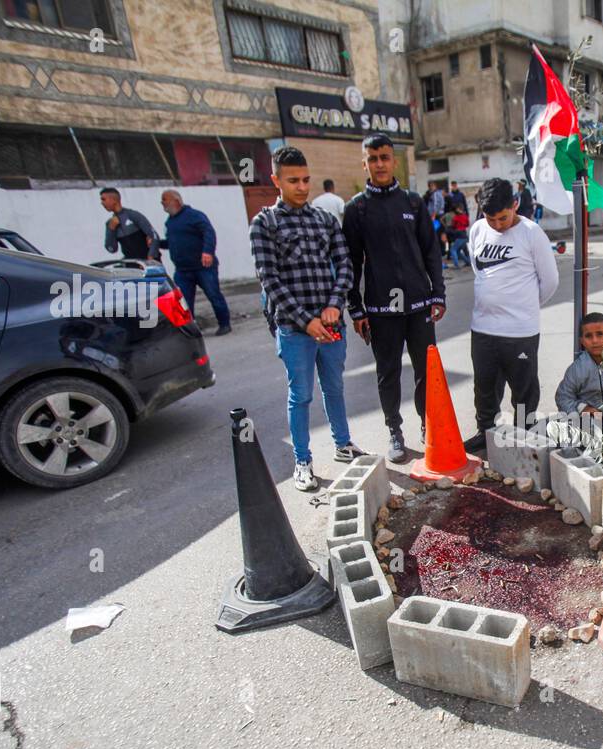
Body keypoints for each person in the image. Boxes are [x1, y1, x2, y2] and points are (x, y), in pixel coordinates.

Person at [250, 145, 362, 491]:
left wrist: (334, 305)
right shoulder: (265, 223)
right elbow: (269, 280)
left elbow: (345, 265)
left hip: (331, 326)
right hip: (295, 330)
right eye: (293, 181)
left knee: (335, 388)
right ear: (276, 181)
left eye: (305, 179)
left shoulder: (325, 220)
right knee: (300, 395)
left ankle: (343, 444)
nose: (301, 187)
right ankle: (302, 461)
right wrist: (306, 321)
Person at [342, 133, 446, 464]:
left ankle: (428, 425)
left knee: (425, 372)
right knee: (388, 373)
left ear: (393, 160)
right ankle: (394, 431)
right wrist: (356, 309)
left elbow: (431, 253)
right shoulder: (356, 209)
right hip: (381, 309)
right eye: (373, 159)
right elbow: (350, 263)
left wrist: (438, 294)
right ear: (365, 164)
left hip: (419, 306)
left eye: (384, 157)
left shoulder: (413, 203)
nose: (380, 164)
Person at [462, 177, 558, 453]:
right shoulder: (478, 230)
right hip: (483, 329)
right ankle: (486, 433)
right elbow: (478, 270)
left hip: (520, 331)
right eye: (490, 218)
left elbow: (550, 281)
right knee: (484, 388)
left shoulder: (532, 233)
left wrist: (524, 306)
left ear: (515, 204)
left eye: (502, 218)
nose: (497, 225)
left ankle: (523, 438)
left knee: (524, 390)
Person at [161, 189, 231, 336]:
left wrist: (208, 251)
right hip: (182, 269)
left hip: (203, 267)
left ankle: (225, 324)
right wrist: (157, 243)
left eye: (165, 200)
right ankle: (186, 331)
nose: (162, 203)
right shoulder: (170, 222)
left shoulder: (194, 216)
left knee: (214, 295)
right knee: (182, 301)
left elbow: (209, 232)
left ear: (176, 201)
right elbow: (171, 242)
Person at [100, 187, 159, 261]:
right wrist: (111, 230)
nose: (102, 203)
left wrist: (151, 256)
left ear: (114, 200)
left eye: (103, 199)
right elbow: (112, 249)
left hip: (148, 262)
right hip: (132, 264)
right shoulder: (110, 223)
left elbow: (154, 236)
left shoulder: (133, 215)